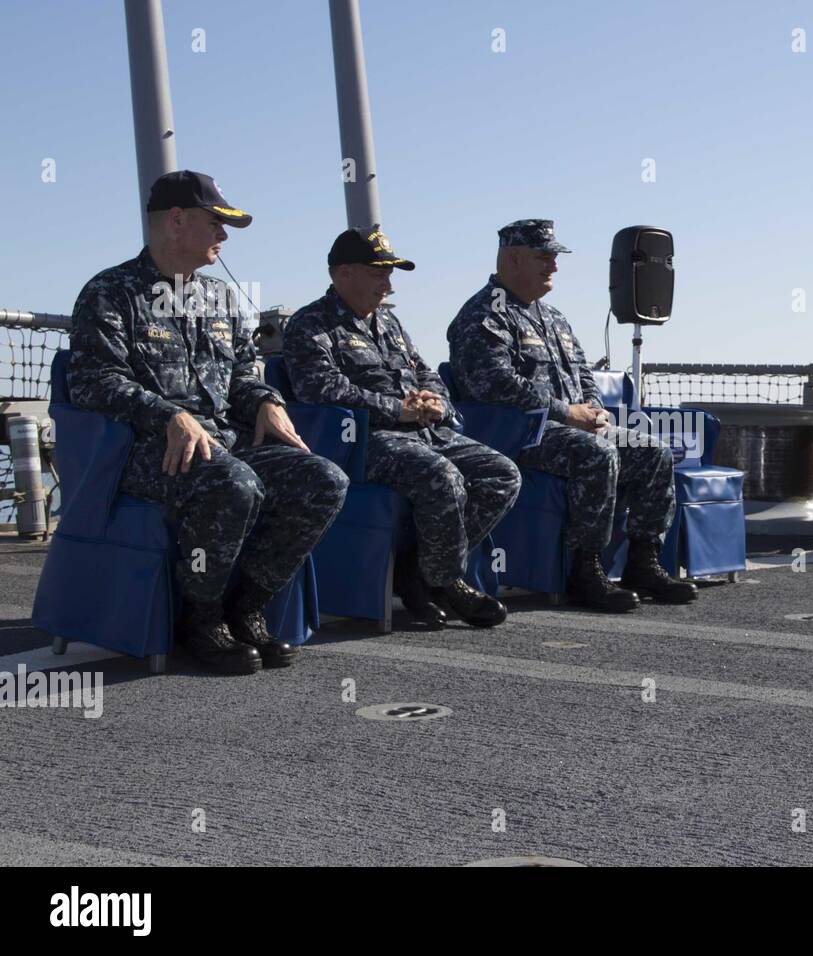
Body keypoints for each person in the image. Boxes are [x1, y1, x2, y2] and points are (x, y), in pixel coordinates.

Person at [68, 170, 349, 674]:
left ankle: (247, 605)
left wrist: (265, 399)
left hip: (221, 441)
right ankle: (202, 618)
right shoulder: (110, 293)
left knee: (323, 479)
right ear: (176, 220)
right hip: (145, 450)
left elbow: (243, 370)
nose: (224, 235)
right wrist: (168, 413)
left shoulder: (218, 297)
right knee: (233, 482)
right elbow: (92, 381)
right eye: (216, 222)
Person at [446, 219, 696, 612]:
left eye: (554, 258)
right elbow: (491, 384)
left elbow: (581, 372)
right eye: (543, 257)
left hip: (570, 426)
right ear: (513, 259)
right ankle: (585, 571)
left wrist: (595, 413)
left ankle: (643, 563)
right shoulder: (484, 315)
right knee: (595, 454)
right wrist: (565, 412)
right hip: (516, 433)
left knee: (652, 451)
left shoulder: (555, 318)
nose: (554, 267)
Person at [282, 227, 521, 629]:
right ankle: (446, 579)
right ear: (343, 273)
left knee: (502, 474)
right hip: (363, 440)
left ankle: (420, 570)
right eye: (378, 272)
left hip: (425, 431)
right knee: (440, 475)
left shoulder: (390, 323)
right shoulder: (311, 325)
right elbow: (320, 388)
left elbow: (425, 371)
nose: (388, 283)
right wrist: (398, 410)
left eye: (389, 273)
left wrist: (435, 401)